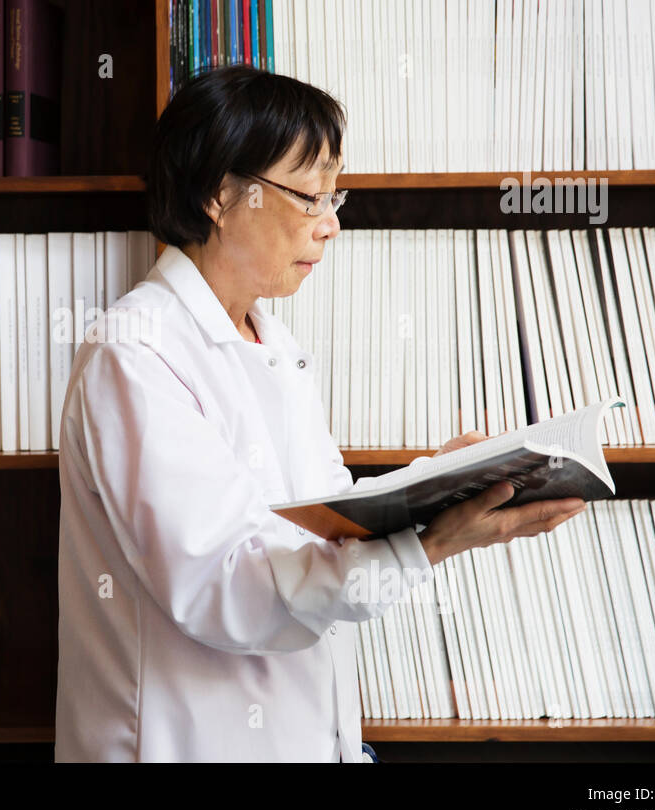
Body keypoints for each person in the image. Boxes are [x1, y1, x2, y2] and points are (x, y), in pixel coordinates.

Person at [53, 64, 588, 762]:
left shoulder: (272, 343)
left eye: (336, 196)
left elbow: (319, 526)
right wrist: (424, 545)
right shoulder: (135, 352)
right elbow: (223, 588)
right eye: (310, 196)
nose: (331, 225)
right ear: (221, 195)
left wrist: (432, 483)